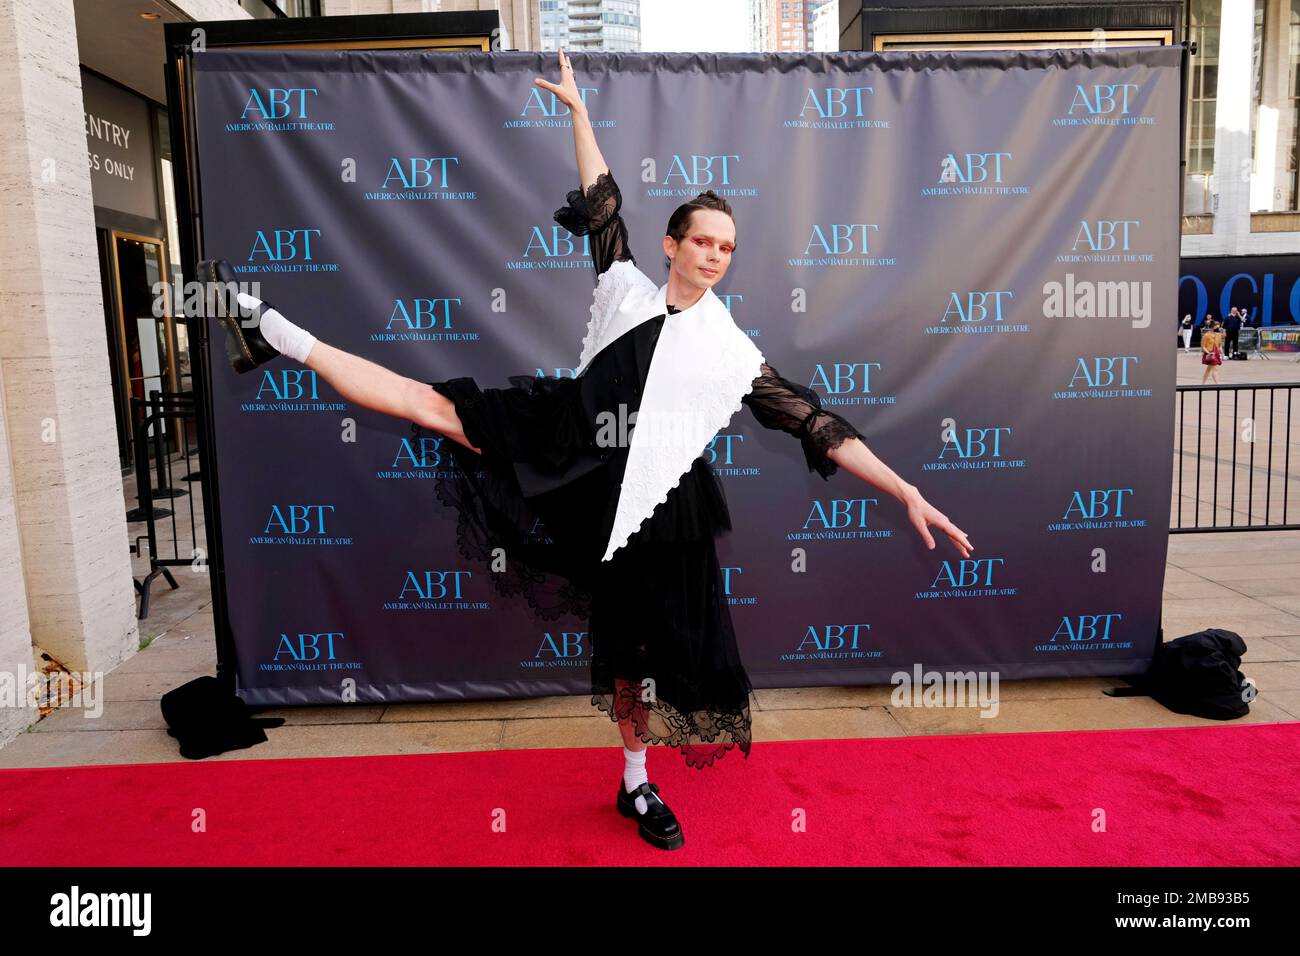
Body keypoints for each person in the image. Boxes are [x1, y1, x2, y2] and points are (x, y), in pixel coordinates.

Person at [198, 49, 973, 851]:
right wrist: (578, 115)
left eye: (728, 248)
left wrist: (904, 489)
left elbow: (816, 424)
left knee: (632, 653)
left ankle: (636, 786)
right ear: (672, 245)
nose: (714, 255)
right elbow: (604, 203)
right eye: (702, 240)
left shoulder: (733, 350)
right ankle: (267, 327)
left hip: (648, 506)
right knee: (425, 403)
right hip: (563, 441)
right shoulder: (624, 286)